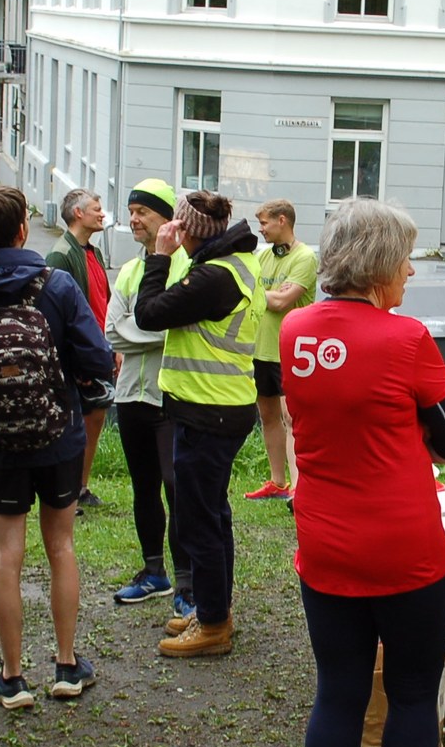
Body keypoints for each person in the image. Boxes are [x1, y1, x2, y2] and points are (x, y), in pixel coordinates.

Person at [283, 198, 445, 747]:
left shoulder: (295, 330)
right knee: (412, 696)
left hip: (326, 543)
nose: (411, 271)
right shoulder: (404, 338)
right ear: (379, 267)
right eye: (405, 260)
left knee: (337, 694)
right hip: (405, 547)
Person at [0, 186, 116, 709]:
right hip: (61, 436)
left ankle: (12, 677)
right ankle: (64, 665)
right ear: (21, 230)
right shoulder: (55, 285)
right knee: (61, 548)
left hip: (0, 444)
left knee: (7, 555)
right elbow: (98, 359)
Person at [133, 189, 260, 658]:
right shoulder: (233, 261)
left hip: (209, 411)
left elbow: (148, 314)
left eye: (177, 228)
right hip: (222, 406)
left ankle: (212, 626)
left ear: (186, 232)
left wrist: (158, 257)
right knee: (213, 513)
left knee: (198, 520)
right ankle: (214, 607)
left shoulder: (212, 277)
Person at [106, 178, 194, 610]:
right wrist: (151, 326)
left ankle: (186, 584)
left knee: (176, 488)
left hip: (168, 396)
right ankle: (153, 571)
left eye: (144, 212)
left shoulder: (186, 268)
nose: (134, 219)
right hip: (130, 396)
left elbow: (179, 329)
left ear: (168, 220)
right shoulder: (128, 269)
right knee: (144, 487)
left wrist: (137, 326)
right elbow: (111, 331)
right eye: (132, 210)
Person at [43, 188, 113, 508]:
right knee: (76, 423)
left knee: (95, 416)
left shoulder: (93, 252)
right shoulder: (60, 255)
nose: (102, 214)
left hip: (98, 348)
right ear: (78, 214)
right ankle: (68, 489)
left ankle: (80, 487)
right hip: (78, 355)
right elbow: (57, 312)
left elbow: (102, 301)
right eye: (96, 209)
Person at [246, 199, 318, 501]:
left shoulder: (305, 257)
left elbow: (279, 302)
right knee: (268, 416)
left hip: (292, 350)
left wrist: (253, 291)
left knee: (292, 419)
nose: (261, 229)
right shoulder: (264, 257)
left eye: (264, 223)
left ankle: (300, 487)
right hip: (261, 348)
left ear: (282, 220)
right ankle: (277, 482)